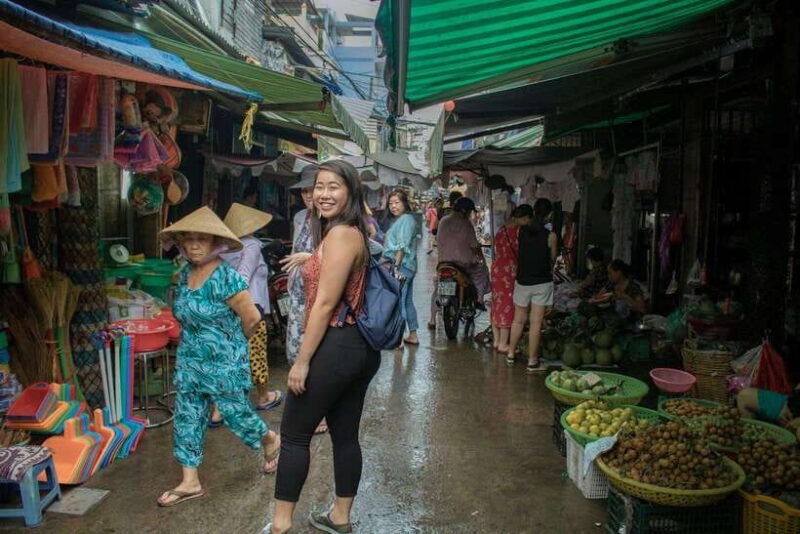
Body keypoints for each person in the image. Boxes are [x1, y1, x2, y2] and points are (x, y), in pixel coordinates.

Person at [266, 160, 380, 534]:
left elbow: (326, 304)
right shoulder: (345, 233)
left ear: (350, 192)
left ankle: (280, 526)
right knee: (345, 435)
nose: (324, 194)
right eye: (319, 186)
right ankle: (339, 518)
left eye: (334, 186)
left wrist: (301, 361)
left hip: (336, 345)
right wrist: (310, 258)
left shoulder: (342, 234)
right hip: (357, 349)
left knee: (295, 435)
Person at [156, 207, 280, 507]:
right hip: (190, 361)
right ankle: (190, 481)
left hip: (224, 362)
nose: (195, 245)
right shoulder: (185, 274)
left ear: (216, 244)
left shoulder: (226, 277)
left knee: (237, 414)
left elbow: (252, 319)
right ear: (181, 244)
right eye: (189, 239)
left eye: (203, 239)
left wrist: (231, 348)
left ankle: (269, 439)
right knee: (187, 417)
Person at [206, 204, 282, 428]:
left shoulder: (221, 247)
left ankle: (219, 410)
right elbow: (243, 277)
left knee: (227, 355)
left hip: (224, 308)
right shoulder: (252, 245)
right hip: (251, 307)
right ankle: (263, 397)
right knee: (255, 353)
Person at [281, 168, 328, 436]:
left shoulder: (332, 220)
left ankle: (319, 412)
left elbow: (341, 258)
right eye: (306, 190)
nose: (309, 195)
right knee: (295, 350)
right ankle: (306, 406)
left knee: (316, 352)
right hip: (297, 293)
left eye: (314, 189)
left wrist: (309, 257)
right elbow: (294, 251)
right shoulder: (301, 217)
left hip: (319, 295)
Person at [506, 199, 558, 372]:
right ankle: (532, 361)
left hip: (523, 281)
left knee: (518, 320)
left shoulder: (521, 231)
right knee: (536, 323)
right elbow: (552, 259)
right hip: (542, 282)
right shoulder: (551, 236)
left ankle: (511, 354)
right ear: (549, 214)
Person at [428, 197, 490, 329]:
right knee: (482, 270)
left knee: (438, 288)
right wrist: (481, 258)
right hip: (463, 265)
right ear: (464, 211)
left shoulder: (443, 220)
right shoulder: (466, 224)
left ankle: (432, 320)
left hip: (443, 263)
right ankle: (479, 299)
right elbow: (474, 245)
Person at [491, 204, 533, 353]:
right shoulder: (519, 231)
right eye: (528, 219)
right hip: (509, 272)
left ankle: (496, 341)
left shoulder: (502, 229)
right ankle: (503, 344)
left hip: (497, 269)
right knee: (507, 306)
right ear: (524, 218)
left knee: (497, 304)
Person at [383, 189, 420, 345]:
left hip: (401, 266)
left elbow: (401, 246)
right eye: (391, 203)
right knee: (406, 301)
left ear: (404, 203)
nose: (393, 206)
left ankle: (398, 339)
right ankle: (412, 334)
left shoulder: (405, 219)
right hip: (408, 266)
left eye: (397, 202)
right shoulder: (404, 220)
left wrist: (395, 268)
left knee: (399, 301)